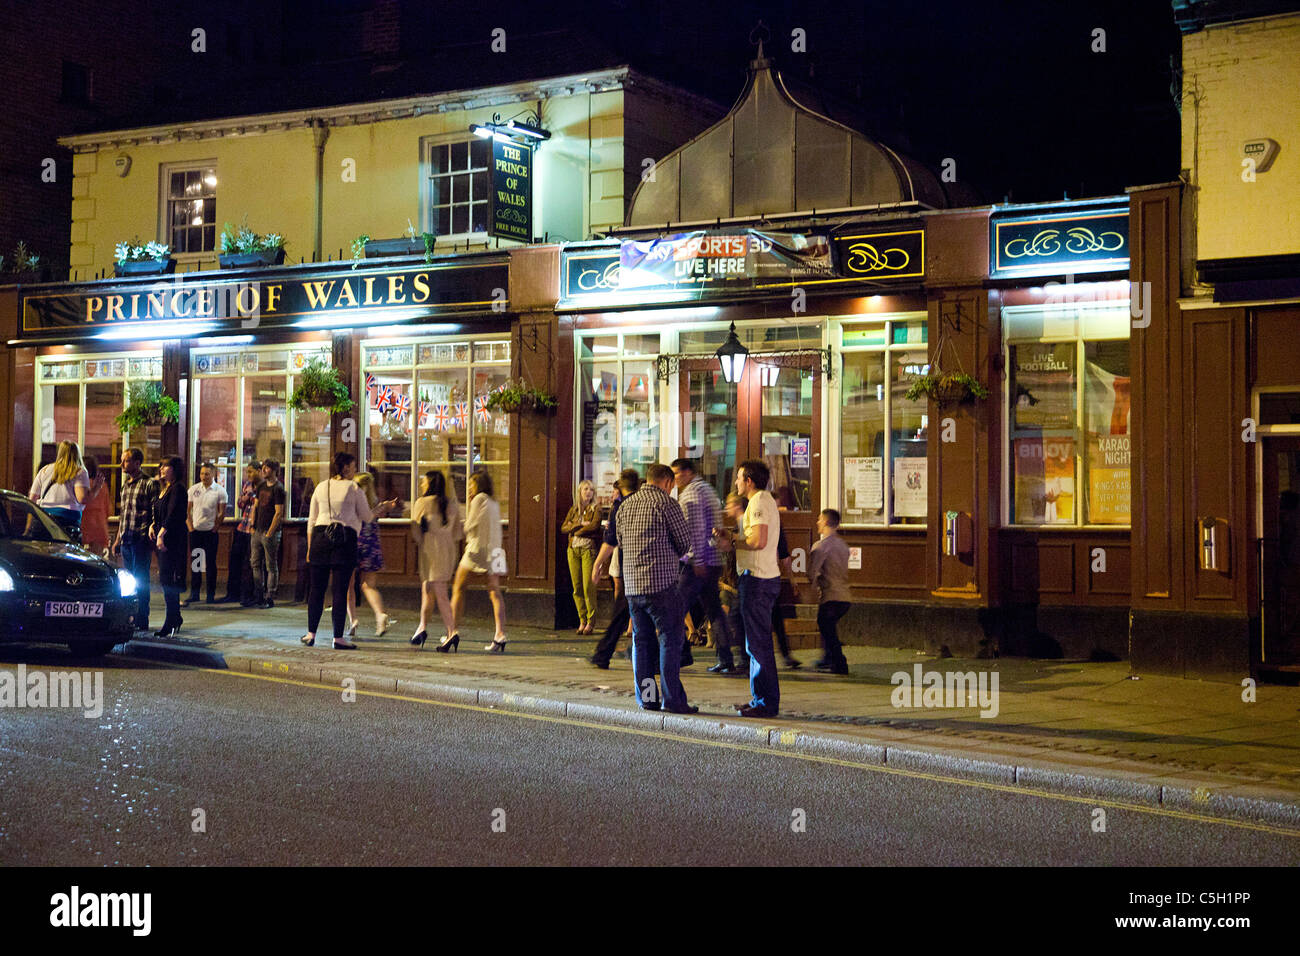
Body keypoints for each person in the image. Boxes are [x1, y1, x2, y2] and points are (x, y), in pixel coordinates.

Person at [614, 463, 696, 714]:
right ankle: (672, 700)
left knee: (642, 643)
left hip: (633, 587)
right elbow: (684, 544)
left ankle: (648, 698)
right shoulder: (666, 504)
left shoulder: (625, 505)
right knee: (670, 640)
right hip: (660, 585)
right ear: (668, 483)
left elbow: (620, 542)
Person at [713, 459, 782, 718]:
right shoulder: (760, 502)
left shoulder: (759, 502)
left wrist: (732, 538)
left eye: (739, 478)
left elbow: (758, 540)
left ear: (749, 481)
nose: (736, 482)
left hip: (758, 580)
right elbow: (749, 540)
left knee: (758, 644)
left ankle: (765, 702)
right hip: (757, 578)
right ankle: (760, 699)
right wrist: (729, 539)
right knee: (755, 643)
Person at [671, 458, 737, 676]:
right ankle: (725, 658)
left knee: (675, 608)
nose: (675, 478)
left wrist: (697, 560)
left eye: (677, 473)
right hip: (713, 559)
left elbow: (697, 531)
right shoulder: (707, 488)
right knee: (714, 610)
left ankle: (681, 654)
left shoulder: (691, 494)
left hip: (698, 563)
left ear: (688, 472)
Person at [301, 452, 372, 650]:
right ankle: (338, 638)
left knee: (317, 590)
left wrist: (309, 547)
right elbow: (367, 516)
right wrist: (381, 508)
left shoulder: (321, 486)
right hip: (344, 540)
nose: (354, 470)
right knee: (340, 591)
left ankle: (310, 634)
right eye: (353, 466)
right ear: (346, 468)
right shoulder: (354, 488)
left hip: (319, 539)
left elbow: (311, 520)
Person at [451, 470, 507, 651]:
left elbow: (469, 525)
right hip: (496, 551)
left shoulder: (479, 500)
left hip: (477, 550)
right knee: (495, 593)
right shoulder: (493, 502)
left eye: (471, 485)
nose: (469, 489)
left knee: (458, 587)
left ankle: (452, 630)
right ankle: (500, 634)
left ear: (479, 485)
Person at [589, 469, 640, 668]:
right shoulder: (643, 502)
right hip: (646, 567)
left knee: (622, 612)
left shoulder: (621, 507)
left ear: (620, 486)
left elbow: (610, 540)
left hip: (629, 565)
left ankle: (603, 653)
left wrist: (597, 564)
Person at [410, 470, 463, 651]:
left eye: (424, 482)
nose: (422, 484)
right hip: (447, 550)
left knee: (439, 593)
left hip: (429, 550)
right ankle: (422, 627)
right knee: (428, 590)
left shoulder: (422, 503)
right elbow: (458, 533)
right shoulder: (452, 505)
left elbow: (415, 530)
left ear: (430, 483)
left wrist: (424, 535)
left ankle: (452, 632)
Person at [346, 472, 399, 637]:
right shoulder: (376, 503)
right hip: (371, 547)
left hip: (353, 544)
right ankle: (380, 614)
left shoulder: (353, 502)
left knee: (348, 586)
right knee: (369, 585)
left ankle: (353, 619)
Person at [113, 448, 157, 634]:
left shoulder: (148, 484)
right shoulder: (125, 486)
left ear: (138, 462)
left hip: (140, 539)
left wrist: (153, 529)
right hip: (126, 539)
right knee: (129, 582)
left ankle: (142, 618)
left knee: (141, 580)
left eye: (126, 461)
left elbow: (155, 512)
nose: (122, 464)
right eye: (122, 460)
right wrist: (117, 539)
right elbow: (123, 516)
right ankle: (130, 617)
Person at [808, 508, 852, 674]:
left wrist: (811, 586)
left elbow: (812, 572)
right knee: (829, 626)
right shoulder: (843, 545)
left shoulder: (820, 546)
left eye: (820, 519)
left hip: (830, 595)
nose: (818, 522)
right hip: (845, 595)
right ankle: (828, 659)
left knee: (826, 626)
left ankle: (839, 663)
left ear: (826, 522)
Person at [150, 456, 189, 638]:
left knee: (168, 580)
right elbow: (158, 511)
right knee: (165, 579)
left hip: (172, 539)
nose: (162, 469)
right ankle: (175, 617)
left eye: (166, 466)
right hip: (162, 537)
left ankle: (171, 620)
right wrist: (153, 525)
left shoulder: (178, 489)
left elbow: (173, 514)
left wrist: (161, 533)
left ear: (175, 469)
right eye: (162, 465)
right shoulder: (164, 488)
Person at [182, 462, 227, 606]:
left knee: (211, 564)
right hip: (195, 532)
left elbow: (222, 512)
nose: (204, 476)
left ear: (213, 474)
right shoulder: (193, 489)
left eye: (207, 474)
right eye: (202, 473)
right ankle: (194, 594)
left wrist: (215, 528)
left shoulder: (220, 491)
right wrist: (190, 527)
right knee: (196, 564)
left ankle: (210, 595)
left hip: (210, 533)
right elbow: (187, 510)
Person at [561, 479, 602, 634]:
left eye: (591, 489)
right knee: (577, 587)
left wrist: (575, 530)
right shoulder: (574, 509)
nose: (588, 492)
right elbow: (564, 528)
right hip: (573, 550)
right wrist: (578, 525)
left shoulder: (596, 508)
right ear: (579, 492)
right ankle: (582, 620)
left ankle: (591, 621)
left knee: (588, 587)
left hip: (587, 550)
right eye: (585, 489)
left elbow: (594, 526)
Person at [29, 440, 90, 542]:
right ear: (77, 454)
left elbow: (32, 498)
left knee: (42, 555)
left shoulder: (44, 470)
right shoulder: (80, 471)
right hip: (67, 521)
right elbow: (82, 498)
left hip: (43, 520)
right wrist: (96, 489)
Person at [248, 458, 286, 609]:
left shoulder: (278, 488)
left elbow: (278, 513)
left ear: (274, 470)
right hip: (257, 530)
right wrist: (252, 525)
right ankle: (259, 594)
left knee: (271, 564)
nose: (263, 470)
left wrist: (270, 532)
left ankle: (270, 596)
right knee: (255, 563)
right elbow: (255, 507)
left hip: (270, 532)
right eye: (263, 467)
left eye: (267, 468)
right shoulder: (262, 486)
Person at [221, 462, 259, 603]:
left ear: (259, 471)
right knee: (235, 560)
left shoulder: (262, 487)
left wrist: (249, 498)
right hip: (242, 526)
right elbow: (240, 503)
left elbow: (257, 504)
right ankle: (232, 593)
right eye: (247, 472)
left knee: (249, 564)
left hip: (253, 528)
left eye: (251, 472)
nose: (248, 475)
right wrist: (245, 498)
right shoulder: (247, 485)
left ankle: (248, 595)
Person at [79, 455, 111, 556]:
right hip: (100, 530)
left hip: (83, 531)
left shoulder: (80, 486)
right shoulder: (103, 485)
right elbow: (108, 510)